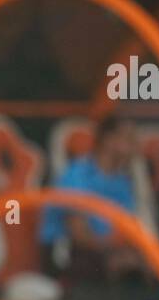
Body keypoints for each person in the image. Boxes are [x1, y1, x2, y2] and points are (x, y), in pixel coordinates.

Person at [40, 115, 142, 280]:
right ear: (109, 140)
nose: (136, 145)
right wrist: (116, 253)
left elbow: (126, 230)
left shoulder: (123, 183)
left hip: (106, 253)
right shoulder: (77, 175)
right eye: (129, 138)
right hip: (68, 252)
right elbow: (79, 234)